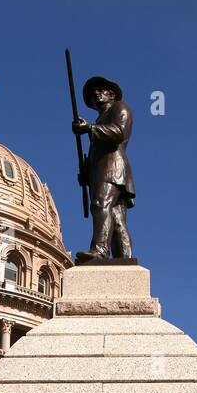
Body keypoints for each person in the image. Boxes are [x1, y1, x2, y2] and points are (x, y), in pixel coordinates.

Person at [72, 76, 135, 262]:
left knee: (100, 205)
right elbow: (96, 154)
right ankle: (124, 258)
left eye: (101, 90)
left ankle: (99, 250)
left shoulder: (120, 107)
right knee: (116, 220)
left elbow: (119, 132)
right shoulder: (100, 119)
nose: (96, 94)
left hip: (113, 169)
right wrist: (86, 173)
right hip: (102, 171)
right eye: (93, 93)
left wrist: (89, 128)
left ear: (112, 94)